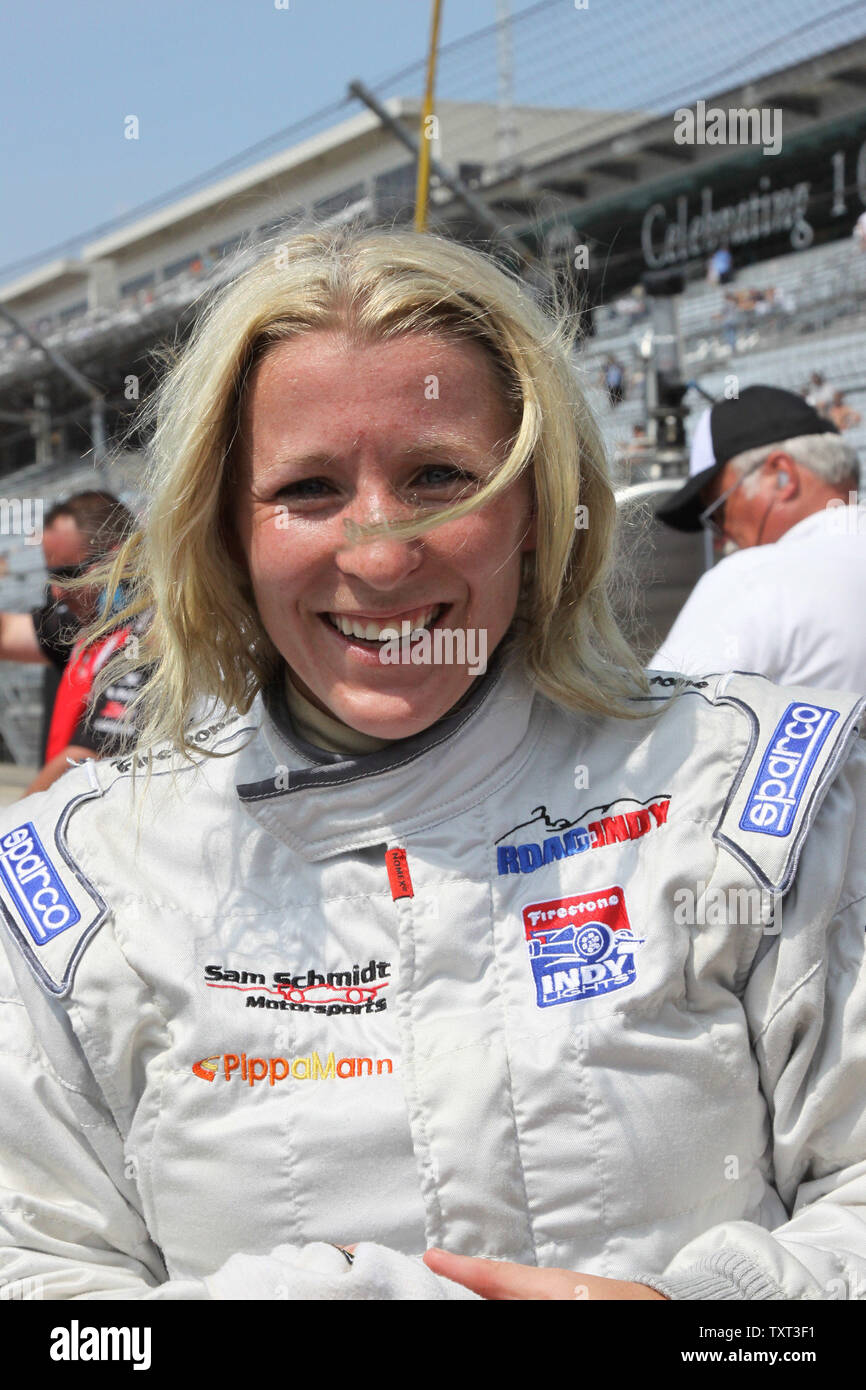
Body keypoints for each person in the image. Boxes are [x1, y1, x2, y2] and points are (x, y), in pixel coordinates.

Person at [0, 229, 866, 1303]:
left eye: (439, 476)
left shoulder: (756, 794)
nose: (377, 553)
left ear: (539, 508)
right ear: (224, 532)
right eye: (307, 488)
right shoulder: (76, 883)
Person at [652, 385, 866, 688]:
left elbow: (654, 728)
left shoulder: (750, 579)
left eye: (717, 513)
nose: (717, 538)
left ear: (782, 475)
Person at [0, 492, 128, 761]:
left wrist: (30, 805)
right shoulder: (79, 623)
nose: (58, 591)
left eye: (69, 574)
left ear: (117, 559)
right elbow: (6, 634)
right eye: (52, 575)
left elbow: (85, 755)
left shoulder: (152, 634)